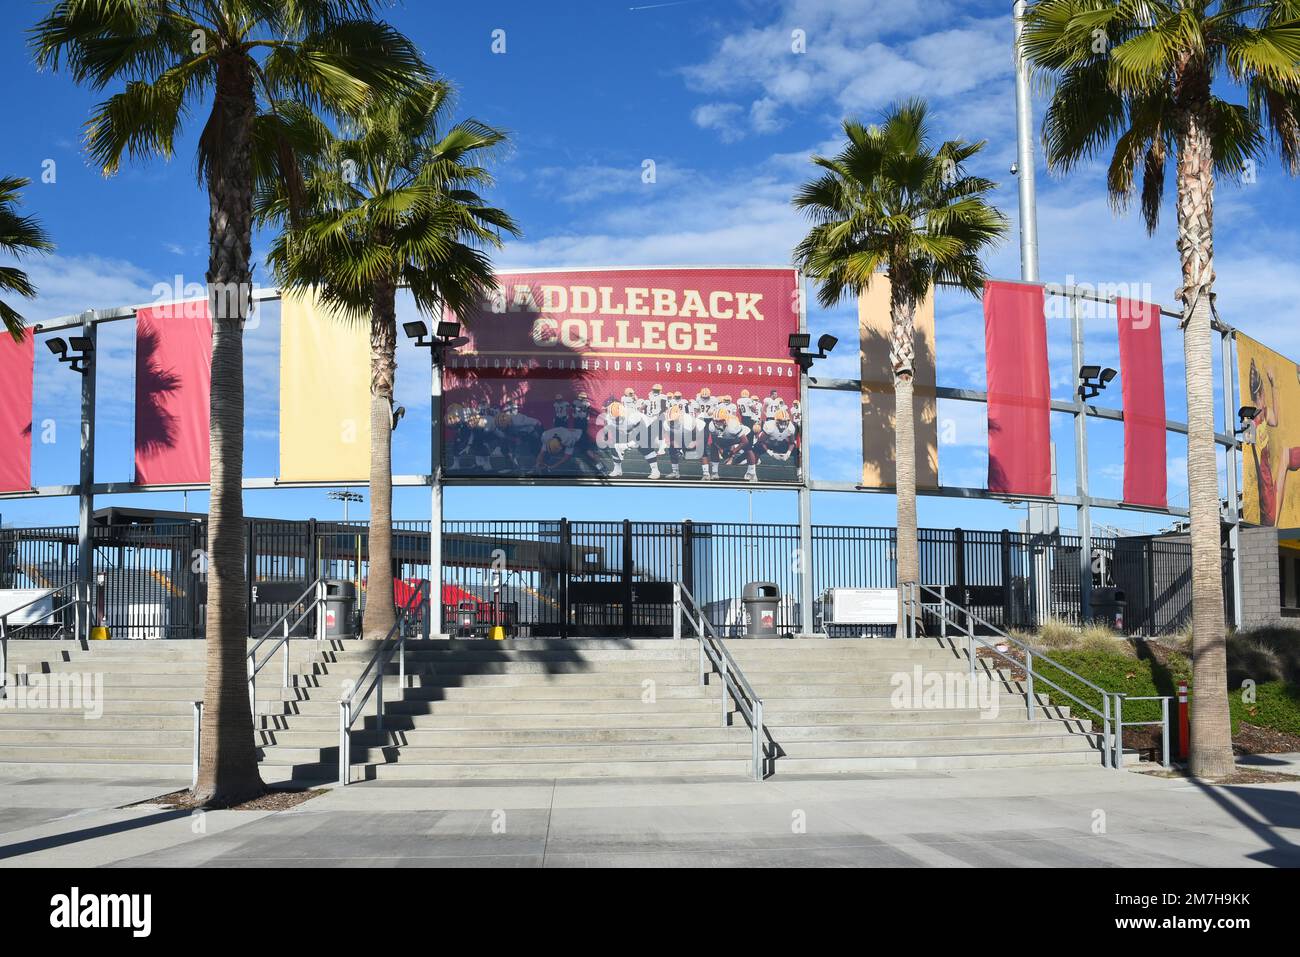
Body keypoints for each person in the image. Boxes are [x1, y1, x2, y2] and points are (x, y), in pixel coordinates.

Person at [1248, 358, 1300, 526]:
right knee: (1286, 456)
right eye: (1262, 396)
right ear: (1259, 394)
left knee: (1286, 455)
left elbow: (1275, 420)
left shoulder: (1262, 412)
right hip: (1267, 494)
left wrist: (1274, 385)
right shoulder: (1253, 421)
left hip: (1268, 485)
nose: (1263, 402)